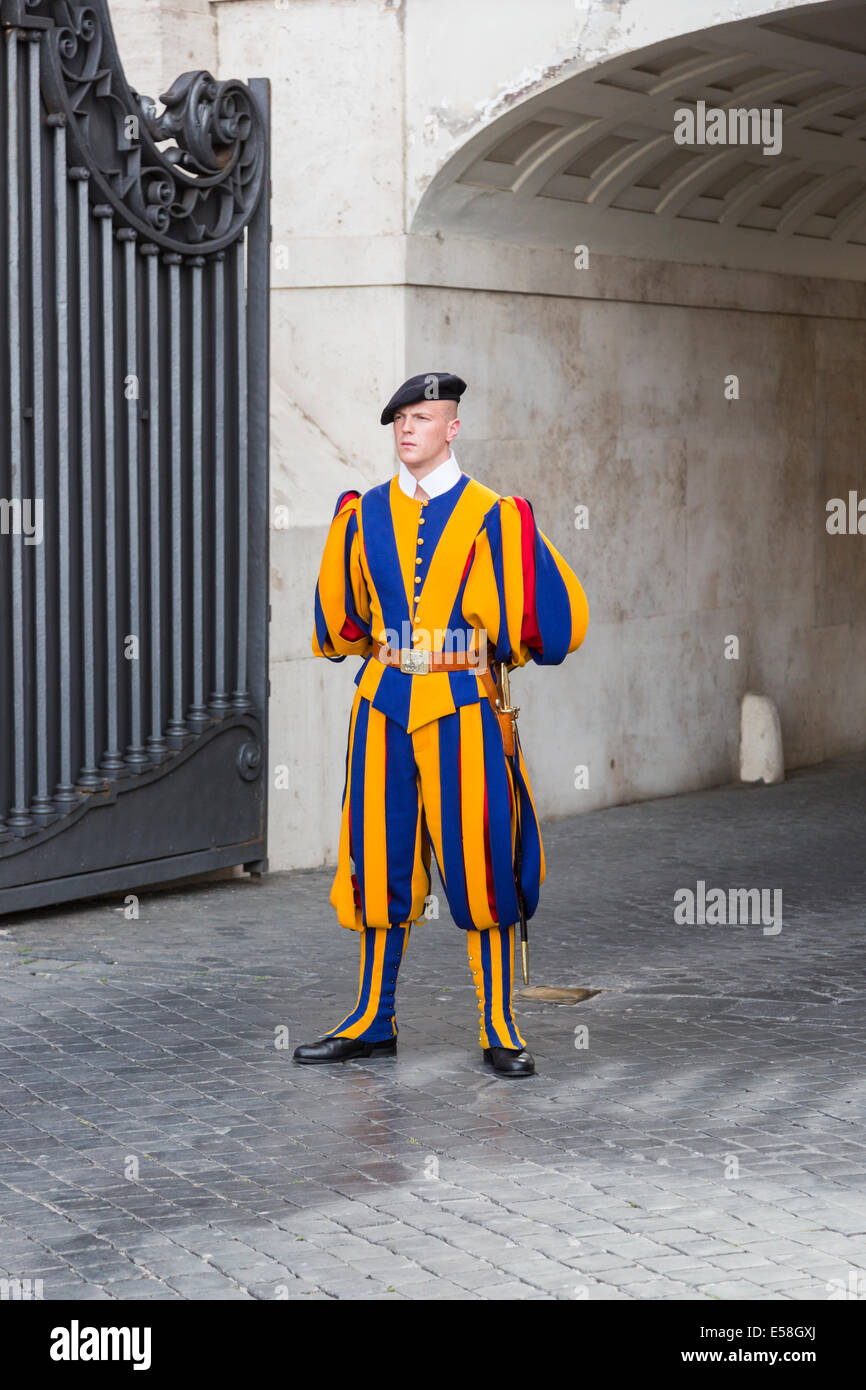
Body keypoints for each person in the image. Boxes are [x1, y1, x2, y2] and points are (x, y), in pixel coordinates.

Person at [294, 372, 588, 1077]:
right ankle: (371, 1017)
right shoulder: (361, 513)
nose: (407, 429)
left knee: (482, 859)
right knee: (375, 856)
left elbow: (546, 625)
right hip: (383, 703)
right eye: (399, 418)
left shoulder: (496, 514)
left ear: (452, 428)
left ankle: (498, 1025)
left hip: (463, 703)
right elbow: (342, 623)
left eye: (421, 418)